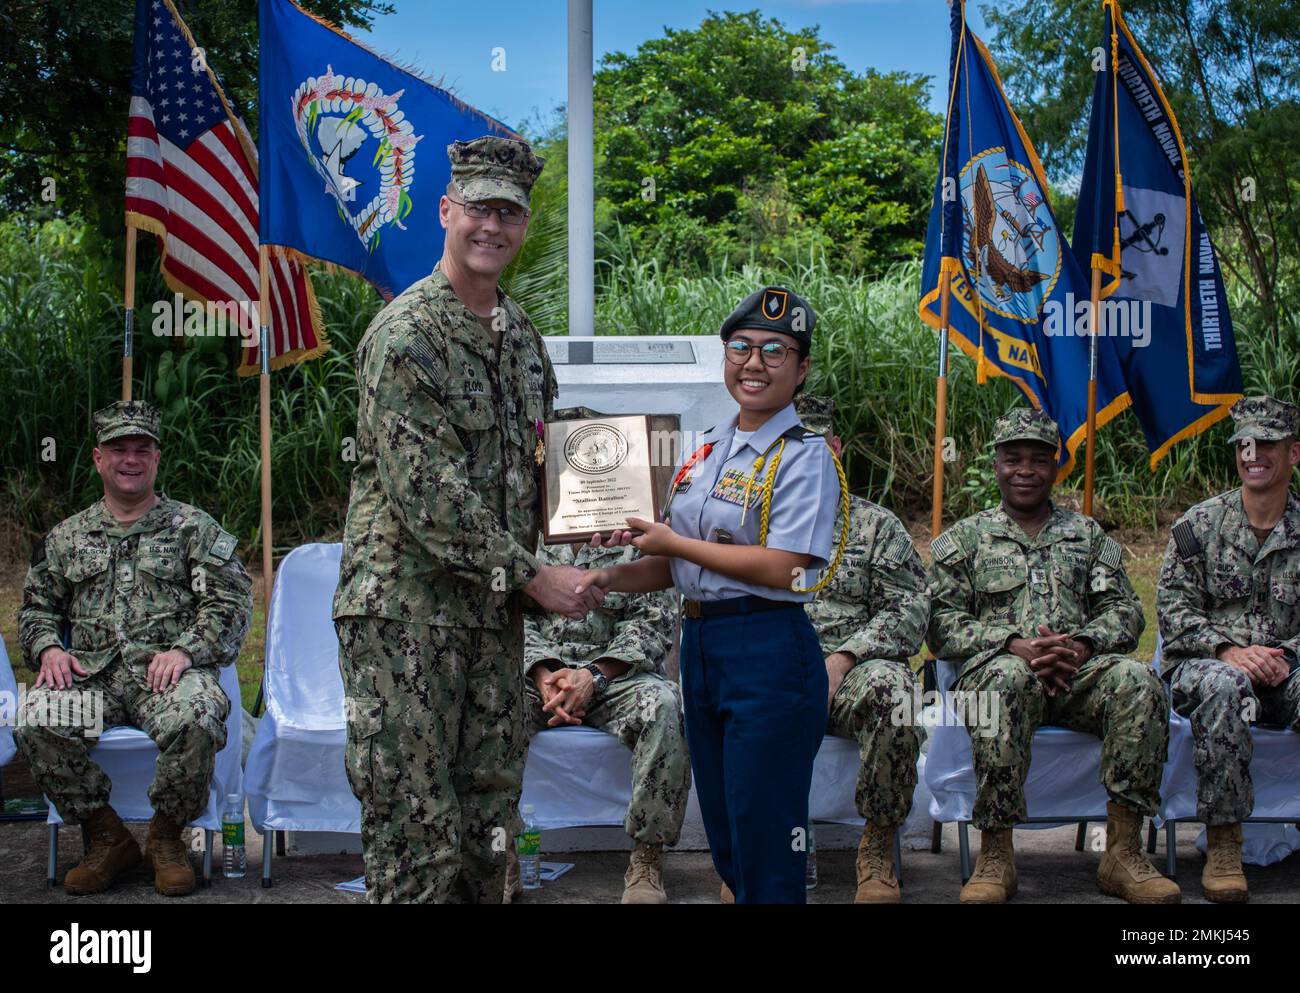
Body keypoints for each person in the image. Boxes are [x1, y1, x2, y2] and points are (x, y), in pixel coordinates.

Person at [332, 135, 602, 904]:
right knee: (415, 829)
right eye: (479, 208)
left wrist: (612, 502)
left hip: (489, 622)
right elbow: (430, 498)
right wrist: (535, 575)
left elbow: (539, 469)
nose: (494, 226)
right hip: (404, 617)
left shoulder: (522, 341)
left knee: (489, 826)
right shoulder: (406, 335)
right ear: (446, 211)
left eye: (509, 213)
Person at [579, 286, 848, 904]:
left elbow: (784, 568)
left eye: (775, 351)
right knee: (727, 836)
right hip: (699, 647)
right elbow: (677, 565)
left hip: (768, 650)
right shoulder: (703, 448)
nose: (754, 363)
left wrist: (672, 541)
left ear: (802, 368)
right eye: (741, 347)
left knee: (769, 837)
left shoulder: (805, 458)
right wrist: (608, 577)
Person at [926, 407, 1179, 905]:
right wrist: (1013, 644)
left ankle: (1123, 851)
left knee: (1137, 681)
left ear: (1055, 467)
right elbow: (938, 623)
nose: (1025, 470)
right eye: (1014, 458)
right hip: (999, 674)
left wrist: (1081, 645)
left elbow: (1126, 611)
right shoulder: (964, 541)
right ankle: (996, 853)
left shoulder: (1086, 536)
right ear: (996, 464)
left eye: (1039, 460)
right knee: (1006, 680)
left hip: (1078, 674)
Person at [16, 400, 251, 896]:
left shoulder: (193, 529)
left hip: (163, 679)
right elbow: (36, 609)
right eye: (118, 449)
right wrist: (48, 651)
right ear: (98, 459)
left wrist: (186, 651)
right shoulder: (67, 537)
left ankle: (167, 838)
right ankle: (106, 838)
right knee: (35, 717)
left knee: (200, 712)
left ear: (156, 459)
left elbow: (230, 605)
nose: (130, 459)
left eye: (141, 449)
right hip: (91, 679)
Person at [511, 437, 690, 903]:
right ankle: (501, 852)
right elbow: (508, 616)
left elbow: (655, 621)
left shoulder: (640, 533)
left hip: (616, 676)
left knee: (665, 705)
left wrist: (593, 675)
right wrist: (545, 672)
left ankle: (647, 858)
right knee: (488, 701)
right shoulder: (521, 531)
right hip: (540, 678)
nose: (584, 471)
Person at [1156, 395, 1300, 903]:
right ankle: (1223, 844)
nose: (1252, 452)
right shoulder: (1200, 526)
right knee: (1226, 684)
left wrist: (1286, 656)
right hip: (1208, 671)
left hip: (1287, 671)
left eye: (1266, 443)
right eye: (1244, 443)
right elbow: (1172, 611)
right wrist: (1224, 650)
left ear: (1294, 453)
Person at [797, 395, 929, 904]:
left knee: (897, 696)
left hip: (855, 674)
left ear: (837, 448)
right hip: (781, 666)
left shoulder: (877, 528)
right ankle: (756, 851)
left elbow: (910, 610)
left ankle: (876, 846)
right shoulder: (751, 527)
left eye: (816, 446)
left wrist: (844, 657)